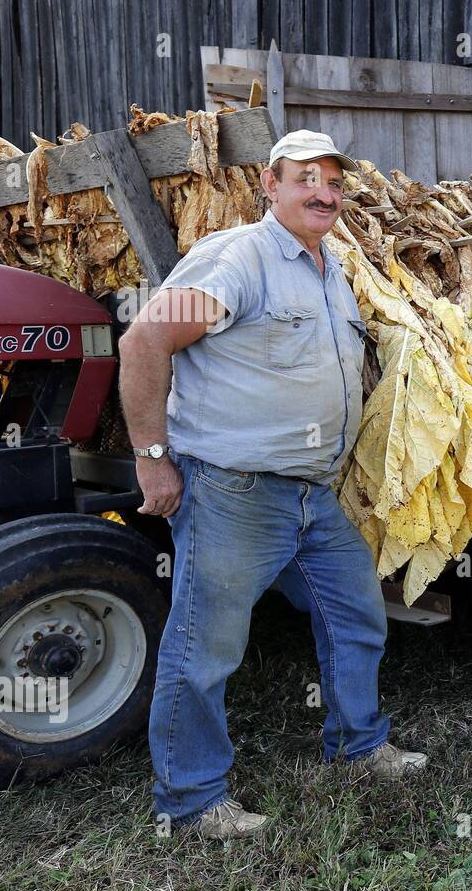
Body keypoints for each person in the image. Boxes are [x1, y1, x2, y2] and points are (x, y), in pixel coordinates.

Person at [119, 130, 427, 840]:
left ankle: (358, 745)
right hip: (234, 490)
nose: (324, 193)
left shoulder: (330, 267)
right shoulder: (240, 258)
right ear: (270, 184)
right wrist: (151, 456)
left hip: (310, 494)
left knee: (357, 614)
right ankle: (192, 800)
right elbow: (143, 342)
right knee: (205, 646)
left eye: (333, 183)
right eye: (306, 179)